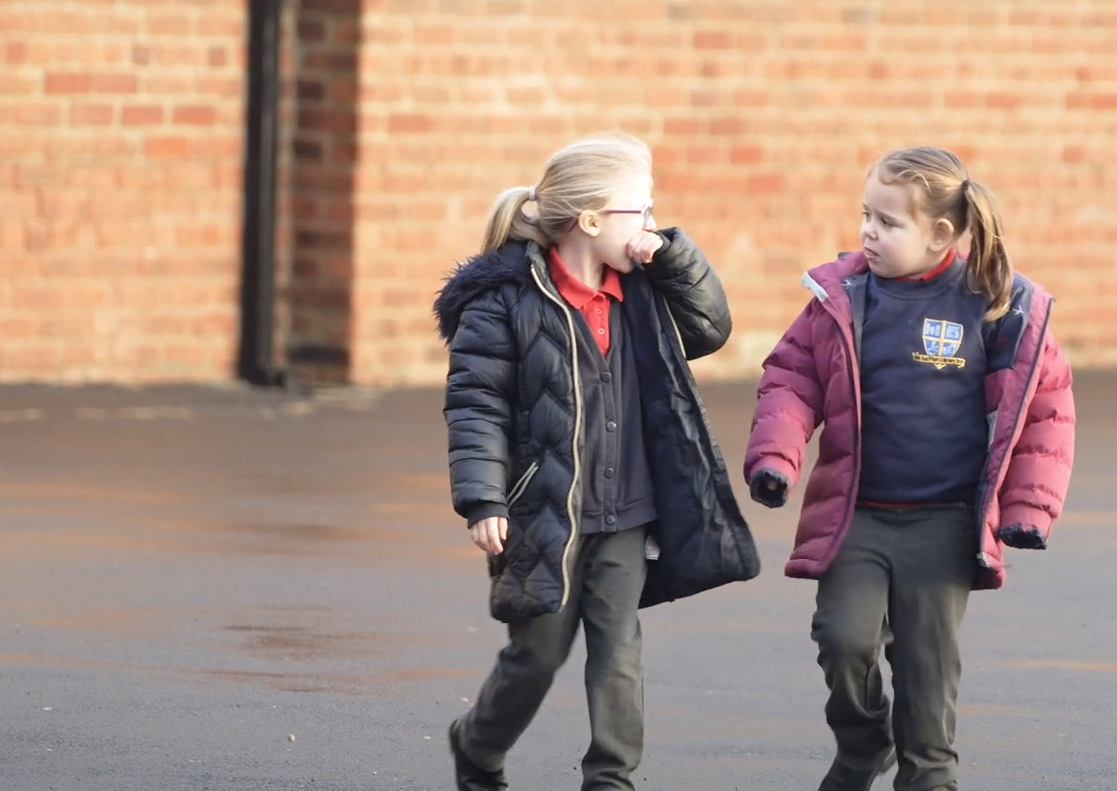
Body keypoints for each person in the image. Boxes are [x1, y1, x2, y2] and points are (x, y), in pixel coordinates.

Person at [432, 132, 760, 791]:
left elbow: (711, 326)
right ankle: (477, 744)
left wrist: (672, 259)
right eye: (638, 210)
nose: (650, 224)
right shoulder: (506, 303)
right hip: (543, 512)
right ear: (588, 221)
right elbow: (476, 405)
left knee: (618, 655)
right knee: (538, 655)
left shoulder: (645, 292)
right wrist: (483, 499)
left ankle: (611, 776)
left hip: (627, 513)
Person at [743, 147, 1076, 791]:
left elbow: (1046, 408)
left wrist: (1029, 508)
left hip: (944, 523)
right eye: (866, 215)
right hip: (857, 513)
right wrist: (776, 456)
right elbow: (791, 379)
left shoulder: (997, 304)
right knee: (843, 640)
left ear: (941, 235)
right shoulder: (841, 297)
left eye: (888, 222)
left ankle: (929, 773)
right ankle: (864, 741)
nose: (868, 231)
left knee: (927, 669)